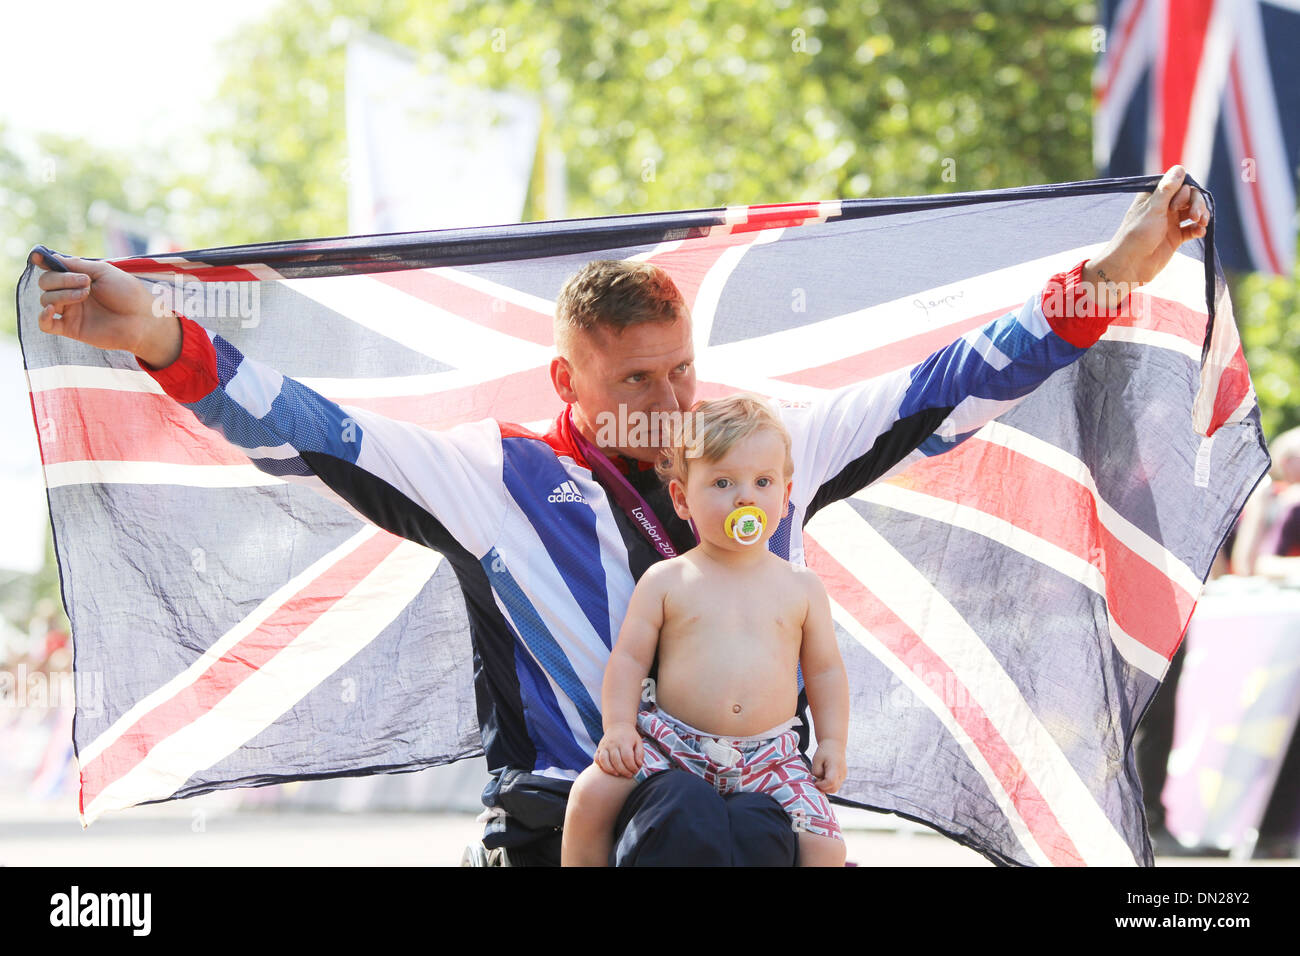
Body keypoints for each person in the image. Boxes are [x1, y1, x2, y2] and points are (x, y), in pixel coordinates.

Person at [32, 166, 1209, 865]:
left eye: (678, 371)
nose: (667, 401)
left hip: (739, 817)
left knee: (747, 829)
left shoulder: (766, 452)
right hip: (577, 819)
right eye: (633, 381)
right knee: (685, 819)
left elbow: (964, 370)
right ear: (570, 386)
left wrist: (1129, 257)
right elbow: (303, 420)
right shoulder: (490, 477)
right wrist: (155, 335)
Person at [561, 396, 849, 866]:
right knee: (591, 793)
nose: (745, 497)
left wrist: (832, 743)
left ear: (784, 493)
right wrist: (617, 727)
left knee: (825, 844)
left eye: (763, 482)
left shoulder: (800, 586)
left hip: (770, 755)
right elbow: (630, 659)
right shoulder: (668, 579)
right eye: (722, 482)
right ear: (681, 498)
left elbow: (826, 672)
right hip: (672, 742)